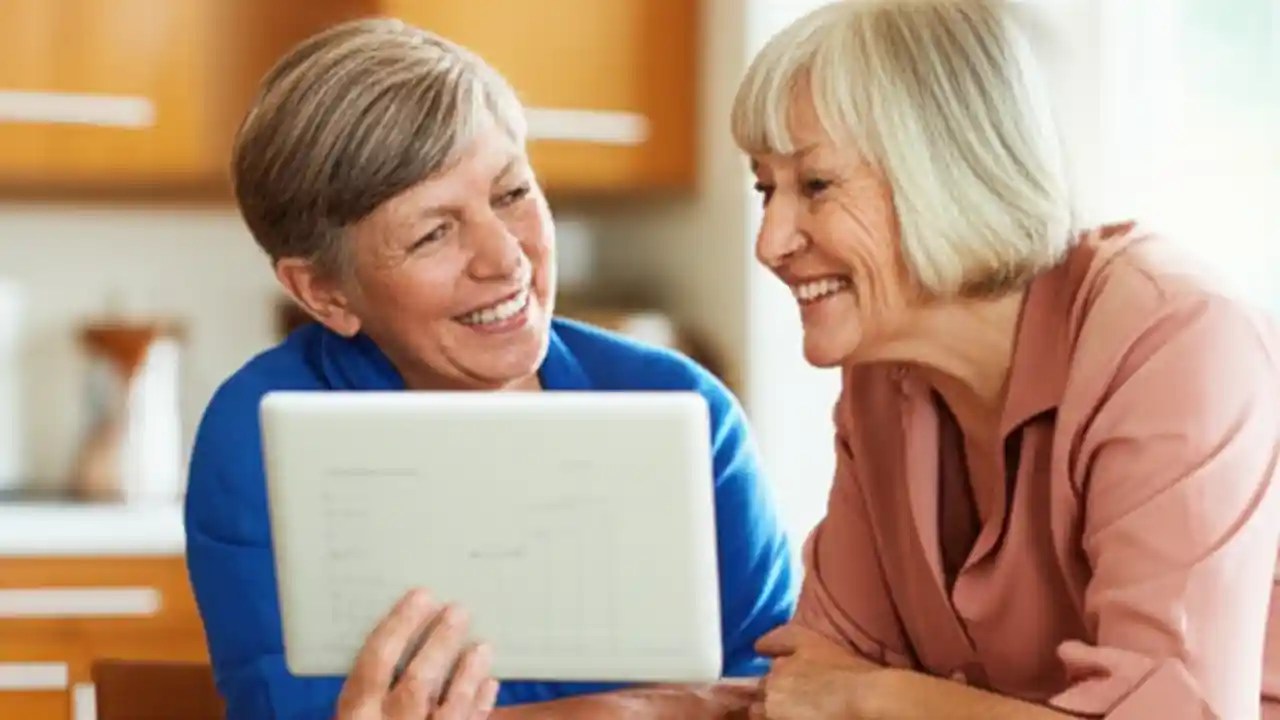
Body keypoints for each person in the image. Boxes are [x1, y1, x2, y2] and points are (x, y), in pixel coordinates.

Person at [184, 17, 796, 720]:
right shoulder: (260, 433)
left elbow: (777, 699)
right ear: (324, 293)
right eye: (434, 233)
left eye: (512, 195)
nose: (506, 257)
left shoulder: (684, 408)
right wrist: (630, 711)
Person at [730, 1, 1280, 719]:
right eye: (765, 188)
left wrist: (881, 699)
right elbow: (808, 686)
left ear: (945, 168)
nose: (769, 243)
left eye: (817, 185)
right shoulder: (882, 378)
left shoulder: (1176, 341)